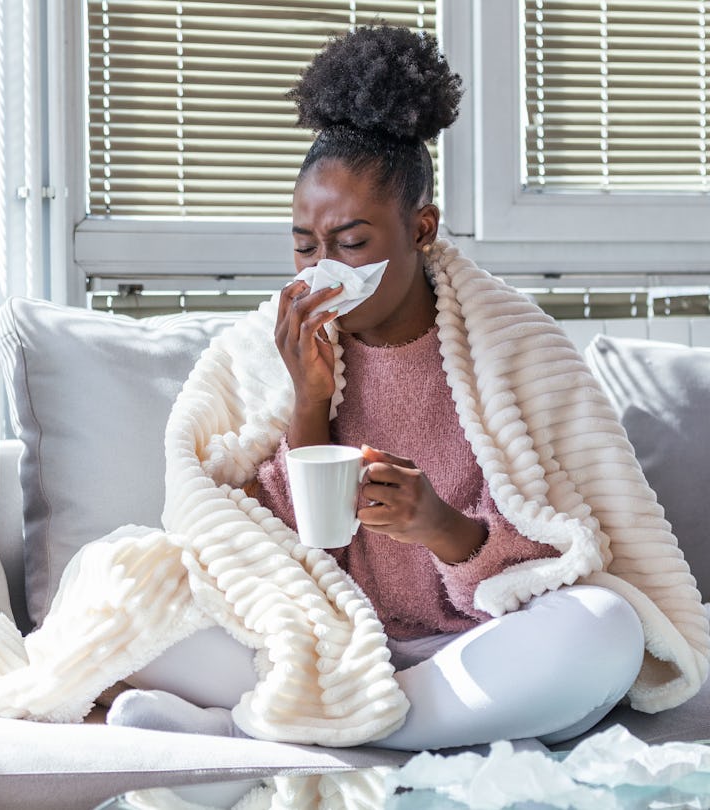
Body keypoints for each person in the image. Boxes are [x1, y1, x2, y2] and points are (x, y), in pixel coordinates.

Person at [106, 25, 653, 750]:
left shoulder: (515, 347)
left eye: (353, 243)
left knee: (607, 632)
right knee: (121, 585)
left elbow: (567, 551)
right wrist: (306, 403)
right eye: (305, 244)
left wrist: (441, 527)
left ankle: (259, 729)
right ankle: (391, 724)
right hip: (323, 636)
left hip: (475, 648)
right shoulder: (273, 347)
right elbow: (265, 554)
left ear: (420, 227)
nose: (323, 267)